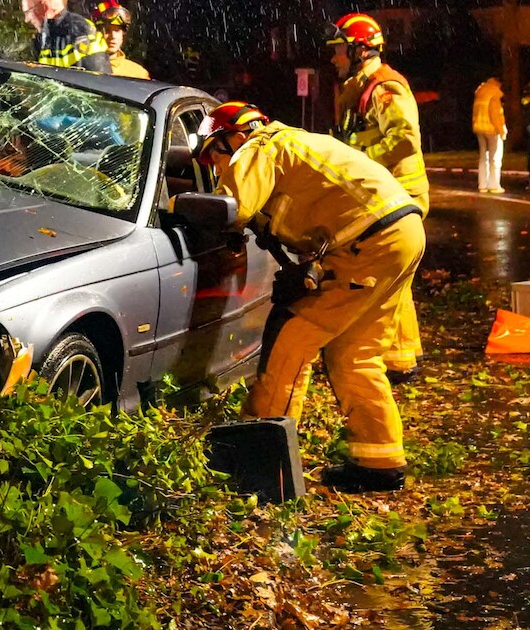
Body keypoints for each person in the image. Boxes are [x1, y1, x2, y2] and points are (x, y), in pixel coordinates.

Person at [193, 102, 425, 492]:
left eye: (213, 157)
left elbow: (235, 207)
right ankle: (379, 462)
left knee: (291, 335)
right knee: (354, 353)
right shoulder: (295, 146)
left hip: (368, 243)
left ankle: (260, 458)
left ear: (233, 137)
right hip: (398, 234)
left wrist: (179, 210)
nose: (216, 168)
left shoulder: (256, 148)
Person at [327, 12, 427, 384]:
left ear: (360, 50)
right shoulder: (359, 85)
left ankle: (399, 362)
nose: (334, 58)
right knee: (393, 277)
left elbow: (404, 140)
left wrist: (358, 163)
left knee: (388, 275)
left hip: (401, 194)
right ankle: (402, 355)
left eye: (339, 50)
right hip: (386, 194)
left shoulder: (385, 87)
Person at [21, 0, 111, 73]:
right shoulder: (44, 36)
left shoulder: (80, 31)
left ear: (44, 5)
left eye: (30, 11)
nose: (26, 19)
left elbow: (100, 83)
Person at [91, 1, 149, 79]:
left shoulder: (137, 73)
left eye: (117, 31)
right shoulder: (83, 66)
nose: (113, 36)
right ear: (96, 32)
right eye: (107, 31)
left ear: (123, 34)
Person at [473, 77, 507, 194]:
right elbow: (495, 114)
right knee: (495, 158)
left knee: (483, 157)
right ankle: (494, 185)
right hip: (491, 129)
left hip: (479, 128)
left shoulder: (480, 92)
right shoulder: (494, 93)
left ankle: (482, 185)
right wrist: (501, 130)